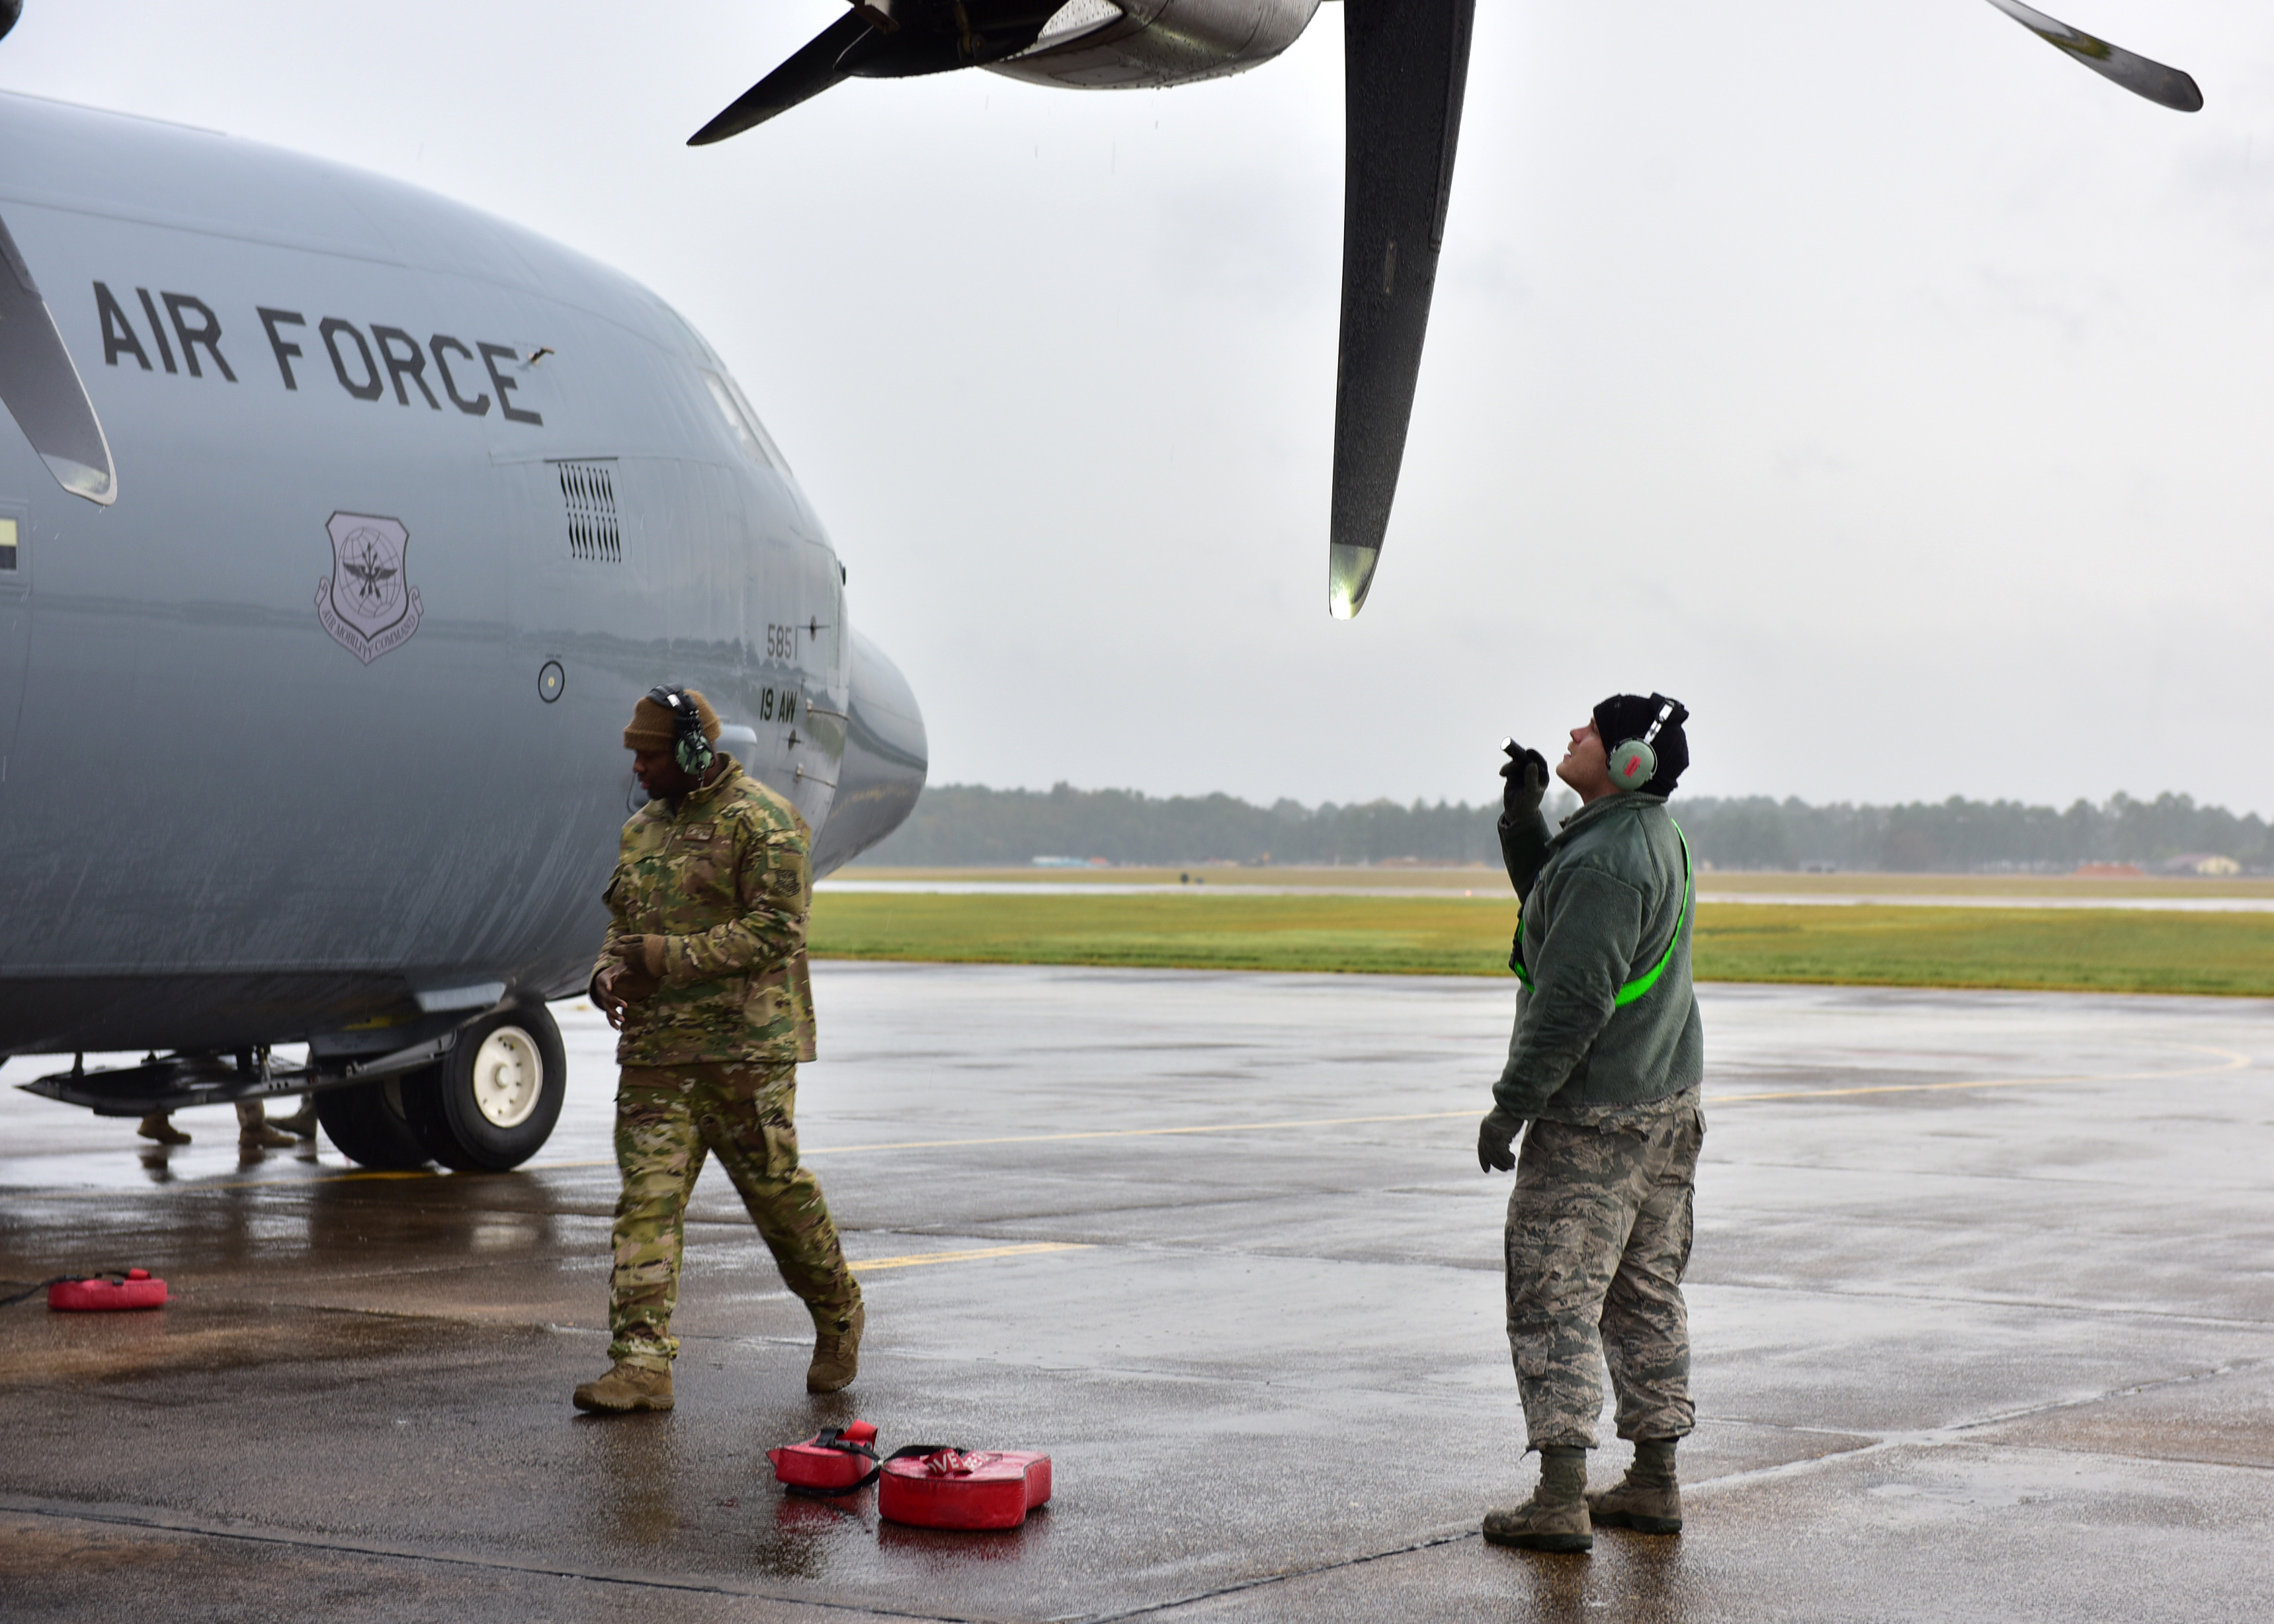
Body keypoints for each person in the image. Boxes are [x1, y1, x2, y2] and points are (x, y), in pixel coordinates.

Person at [572, 686, 864, 1414]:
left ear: (694, 751)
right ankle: (640, 1363)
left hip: (744, 1053)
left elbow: (778, 930)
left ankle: (838, 1311)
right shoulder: (641, 829)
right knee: (646, 1203)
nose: (636, 766)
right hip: (657, 1055)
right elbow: (624, 924)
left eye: (648, 753)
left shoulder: (764, 823)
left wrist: (665, 956)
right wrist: (606, 971)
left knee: (776, 1197)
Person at [1476, 693, 1705, 1553]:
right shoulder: (1643, 838)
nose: (1572, 734)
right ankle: (1652, 1481)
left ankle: (1559, 1499)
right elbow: (1561, 911)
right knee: (1645, 1292)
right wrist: (1522, 822)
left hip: (1598, 1118)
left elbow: (1570, 998)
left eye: (1590, 732)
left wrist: (1510, 1107)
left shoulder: (1611, 861)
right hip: (1665, 1107)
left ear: (1628, 764)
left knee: (1552, 1294)